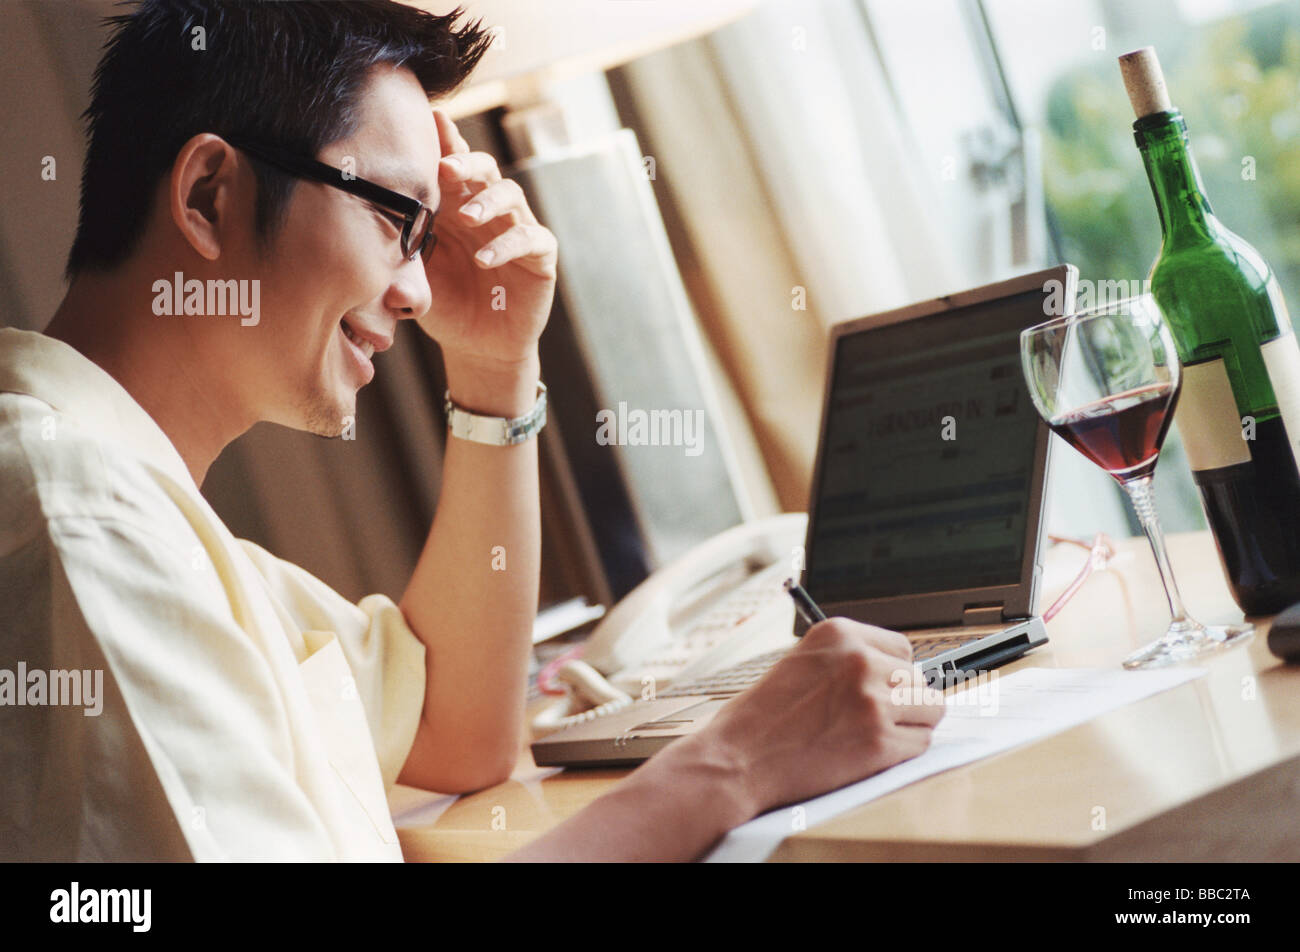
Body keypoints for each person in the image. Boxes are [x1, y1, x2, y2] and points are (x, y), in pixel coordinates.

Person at [0, 0, 943, 862]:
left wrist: (494, 369)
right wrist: (734, 763)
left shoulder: (144, 505)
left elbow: (454, 732)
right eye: (397, 218)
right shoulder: (82, 514)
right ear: (210, 194)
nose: (415, 294)